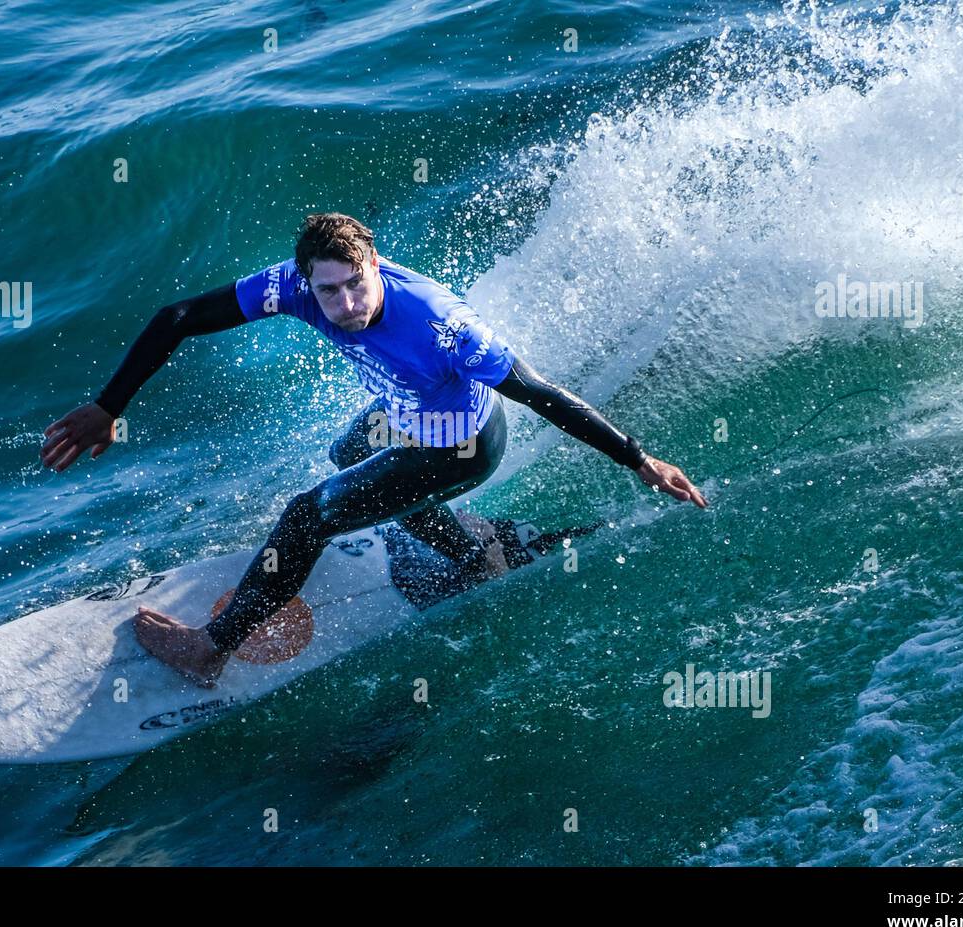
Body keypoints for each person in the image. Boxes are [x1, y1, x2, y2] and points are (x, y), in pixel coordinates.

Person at [41, 213, 707, 687]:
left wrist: (639, 460)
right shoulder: (298, 289)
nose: (346, 302)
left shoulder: (444, 326)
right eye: (328, 290)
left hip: (460, 445)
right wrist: (109, 405)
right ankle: (473, 551)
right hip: (401, 415)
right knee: (349, 453)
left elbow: (541, 393)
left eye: (356, 283)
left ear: (375, 262)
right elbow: (179, 318)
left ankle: (208, 650)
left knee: (309, 516)